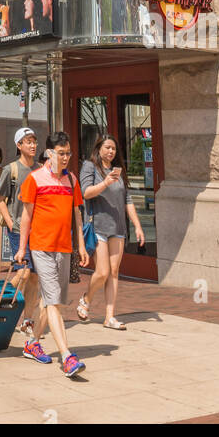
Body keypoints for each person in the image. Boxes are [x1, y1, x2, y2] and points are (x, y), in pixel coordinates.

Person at [16, 131, 89, 377]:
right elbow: (26, 216)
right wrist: (21, 248)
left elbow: (77, 216)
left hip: (64, 248)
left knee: (50, 301)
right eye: (61, 153)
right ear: (49, 153)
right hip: (41, 248)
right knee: (54, 302)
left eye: (68, 153)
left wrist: (81, 246)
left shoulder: (73, 181)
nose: (66, 157)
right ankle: (67, 356)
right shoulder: (35, 179)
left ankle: (32, 343)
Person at [77, 134, 145, 330]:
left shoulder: (118, 172)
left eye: (113, 148)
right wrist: (106, 182)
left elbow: (127, 200)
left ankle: (109, 317)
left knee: (114, 272)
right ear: (99, 149)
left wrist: (137, 226)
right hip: (98, 225)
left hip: (118, 228)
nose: (110, 151)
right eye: (107, 147)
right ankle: (86, 298)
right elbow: (85, 192)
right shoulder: (90, 167)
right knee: (103, 271)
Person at [0, 127, 41, 338]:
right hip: (17, 230)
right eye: (27, 141)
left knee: (33, 278)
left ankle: (27, 321)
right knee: (23, 272)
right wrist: (10, 221)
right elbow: (0, 200)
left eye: (34, 141)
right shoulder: (11, 170)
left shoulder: (41, 170)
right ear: (19, 145)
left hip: (38, 230)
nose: (32, 145)